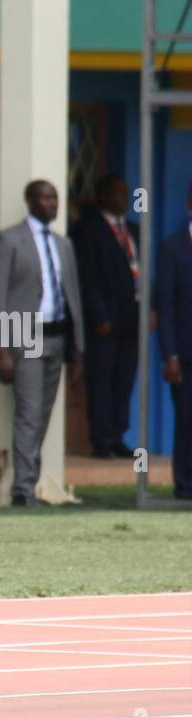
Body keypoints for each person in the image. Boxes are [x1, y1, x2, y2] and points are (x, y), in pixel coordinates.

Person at [0, 180, 85, 507]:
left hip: (58, 338)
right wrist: (2, 350)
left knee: (42, 414)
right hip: (24, 337)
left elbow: (74, 298)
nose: (52, 203)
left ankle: (28, 483)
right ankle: (23, 491)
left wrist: (78, 351)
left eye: (56, 197)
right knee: (28, 414)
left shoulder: (64, 244)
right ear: (30, 201)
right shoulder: (8, 240)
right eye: (45, 197)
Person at [72, 174, 140, 458]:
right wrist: (99, 314)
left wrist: (150, 308)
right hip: (104, 321)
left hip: (131, 317)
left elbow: (142, 272)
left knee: (124, 379)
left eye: (126, 194)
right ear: (103, 198)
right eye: (118, 194)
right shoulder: (88, 231)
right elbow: (86, 279)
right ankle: (101, 438)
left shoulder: (134, 230)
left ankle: (118, 436)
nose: (124, 199)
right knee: (101, 379)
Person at [157, 186, 192, 500]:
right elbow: (165, 305)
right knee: (186, 420)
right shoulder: (172, 248)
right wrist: (170, 354)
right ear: (189, 204)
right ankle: (185, 484)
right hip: (185, 353)